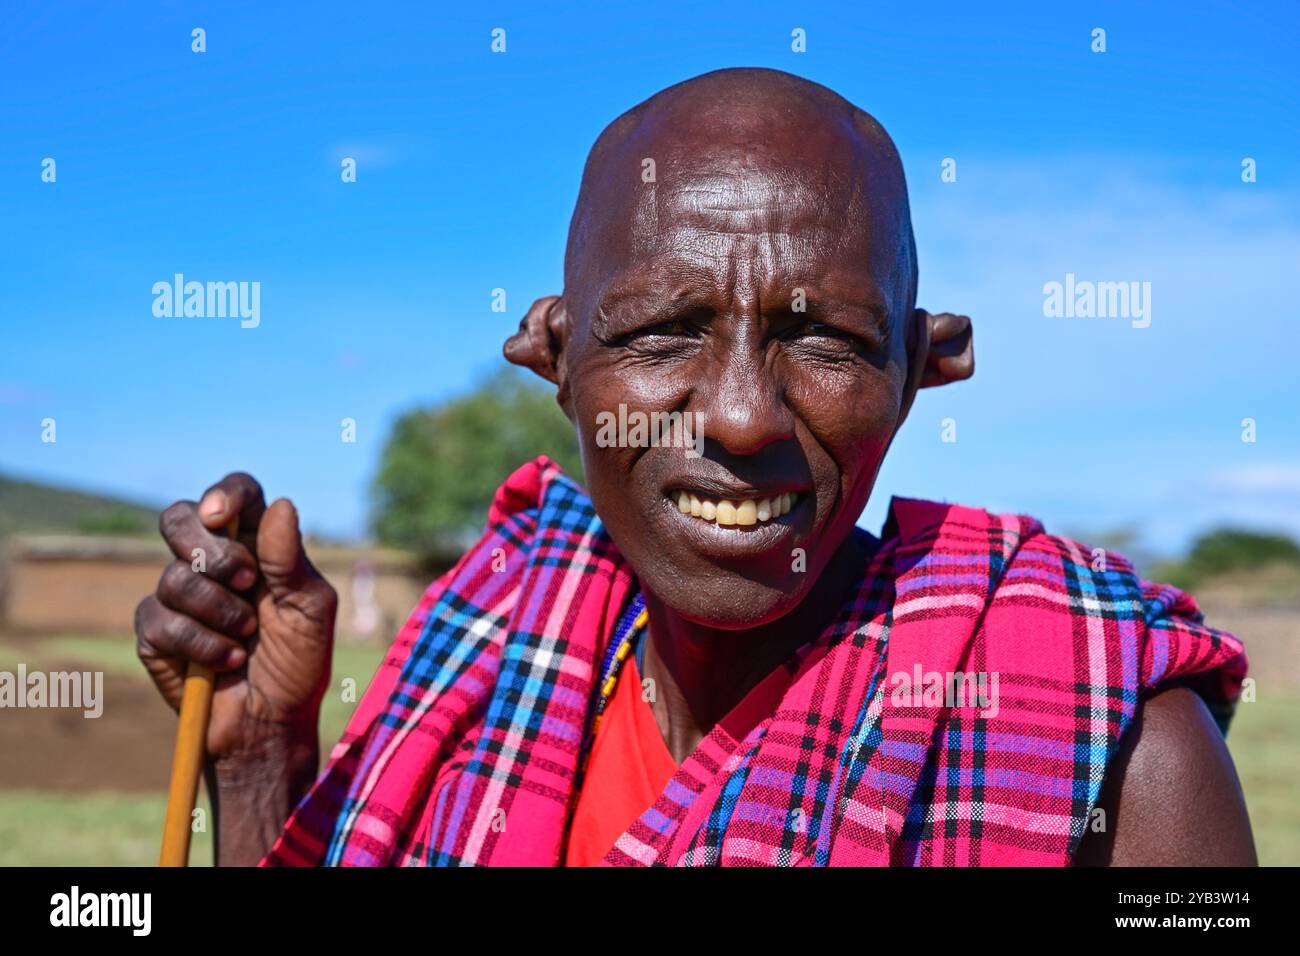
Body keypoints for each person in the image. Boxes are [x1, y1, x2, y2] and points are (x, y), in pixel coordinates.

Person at [135, 67, 1254, 867]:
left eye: (826, 340)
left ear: (921, 367)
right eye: (660, 330)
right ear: (555, 355)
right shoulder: (482, 649)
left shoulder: (1114, 750)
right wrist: (256, 759)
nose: (738, 414)